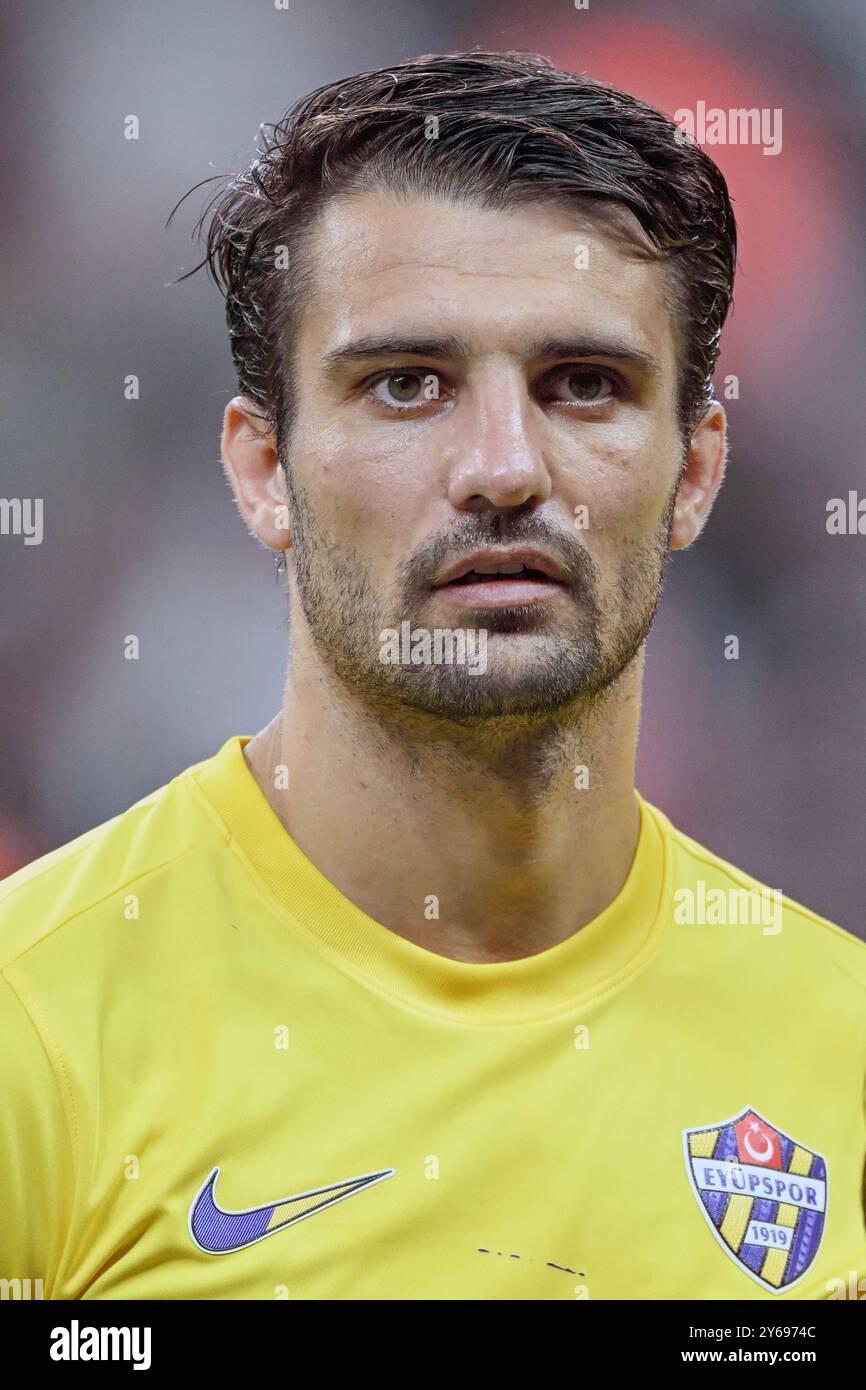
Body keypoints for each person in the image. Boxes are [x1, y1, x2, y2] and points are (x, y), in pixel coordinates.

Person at [1, 50, 863, 1302]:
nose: (502, 466)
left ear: (692, 470)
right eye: (406, 386)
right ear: (261, 471)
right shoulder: (35, 1022)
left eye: (583, 386)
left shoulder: (838, 1046)